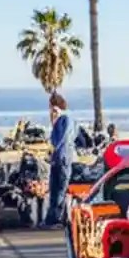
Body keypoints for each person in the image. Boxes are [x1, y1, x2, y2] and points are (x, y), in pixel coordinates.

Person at [44, 93, 77, 228]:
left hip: (61, 157)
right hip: (62, 157)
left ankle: (55, 218)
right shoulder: (67, 119)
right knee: (56, 188)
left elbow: (60, 140)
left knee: (59, 189)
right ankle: (53, 217)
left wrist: (53, 150)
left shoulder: (64, 119)